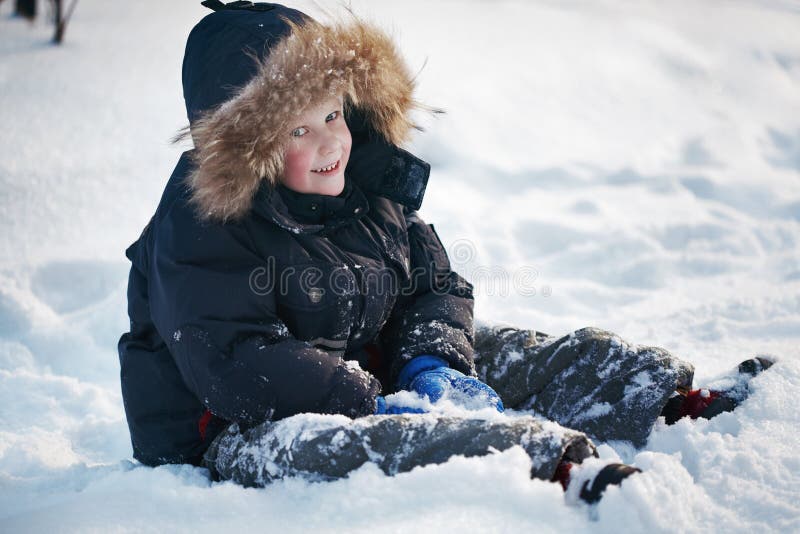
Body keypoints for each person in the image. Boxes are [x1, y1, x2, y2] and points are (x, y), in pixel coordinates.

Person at [118, 1, 773, 504]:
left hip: (363, 366)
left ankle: (659, 400)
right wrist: (366, 398)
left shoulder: (365, 185)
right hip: (239, 429)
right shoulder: (201, 228)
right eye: (298, 128)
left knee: (499, 349)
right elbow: (235, 361)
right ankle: (548, 469)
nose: (330, 143)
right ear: (248, 150)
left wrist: (430, 361)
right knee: (353, 446)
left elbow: (434, 285)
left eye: (333, 115)